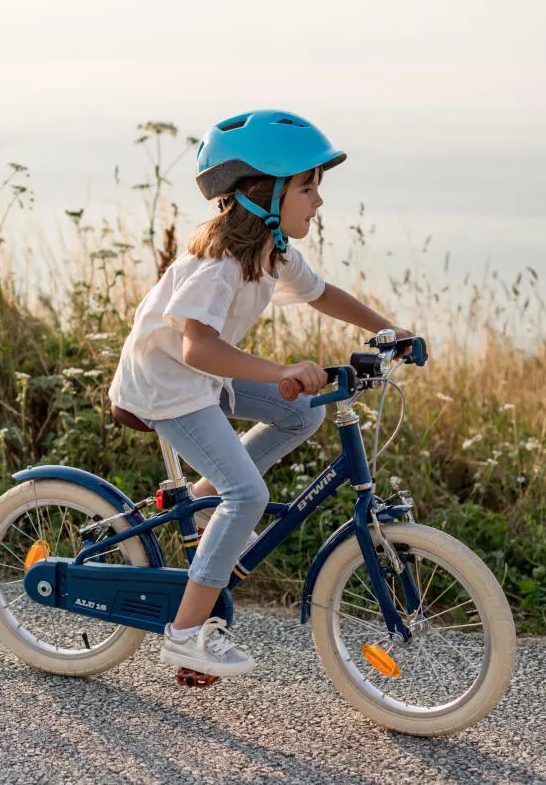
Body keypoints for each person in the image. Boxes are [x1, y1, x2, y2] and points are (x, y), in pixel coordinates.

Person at [107, 109, 414, 679]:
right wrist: (280, 369)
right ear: (263, 194)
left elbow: (323, 295)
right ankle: (185, 633)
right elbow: (198, 349)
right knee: (246, 495)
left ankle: (203, 509)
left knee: (299, 413)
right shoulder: (219, 261)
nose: (317, 202)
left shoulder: (270, 252)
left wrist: (387, 328)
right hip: (168, 386)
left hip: (202, 380)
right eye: (307, 188)